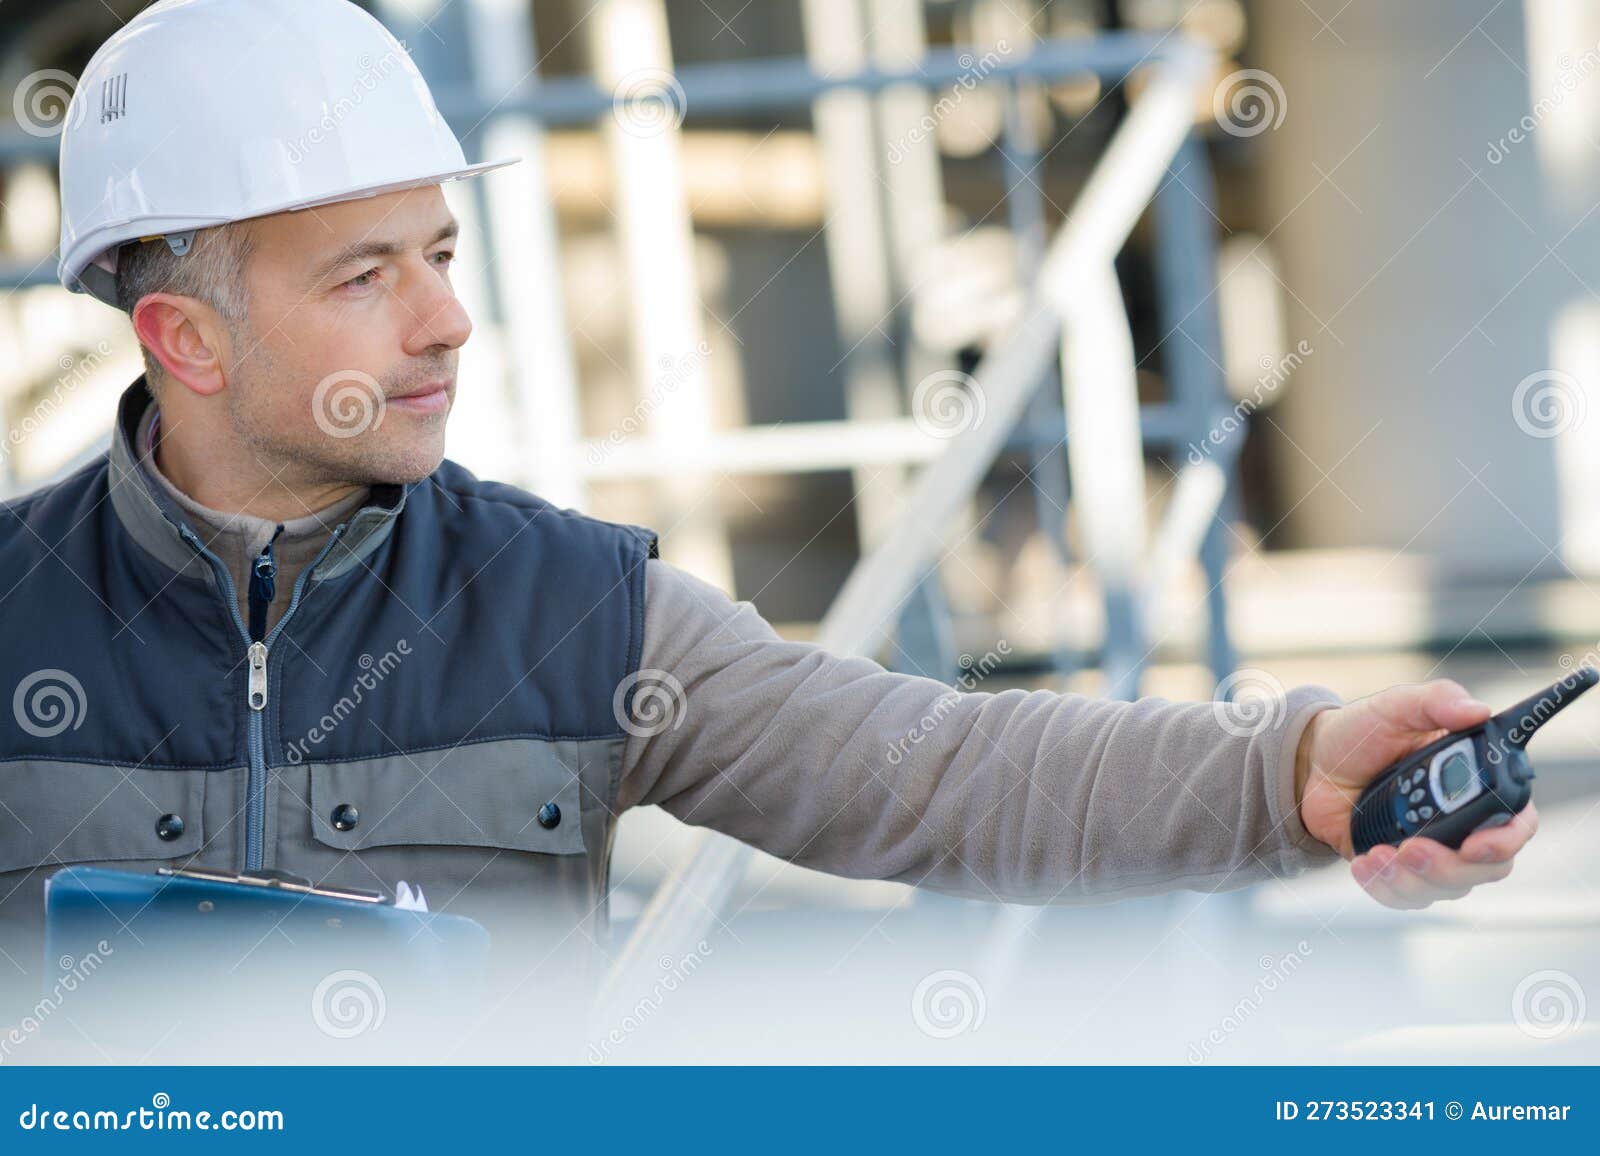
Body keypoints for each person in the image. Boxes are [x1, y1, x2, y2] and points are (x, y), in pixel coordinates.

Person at [1, 0, 1533, 1057]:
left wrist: (1285, 774)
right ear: (185, 340)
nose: (447, 319)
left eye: (441, 254)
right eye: (364, 276)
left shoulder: (570, 609)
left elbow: (941, 774)